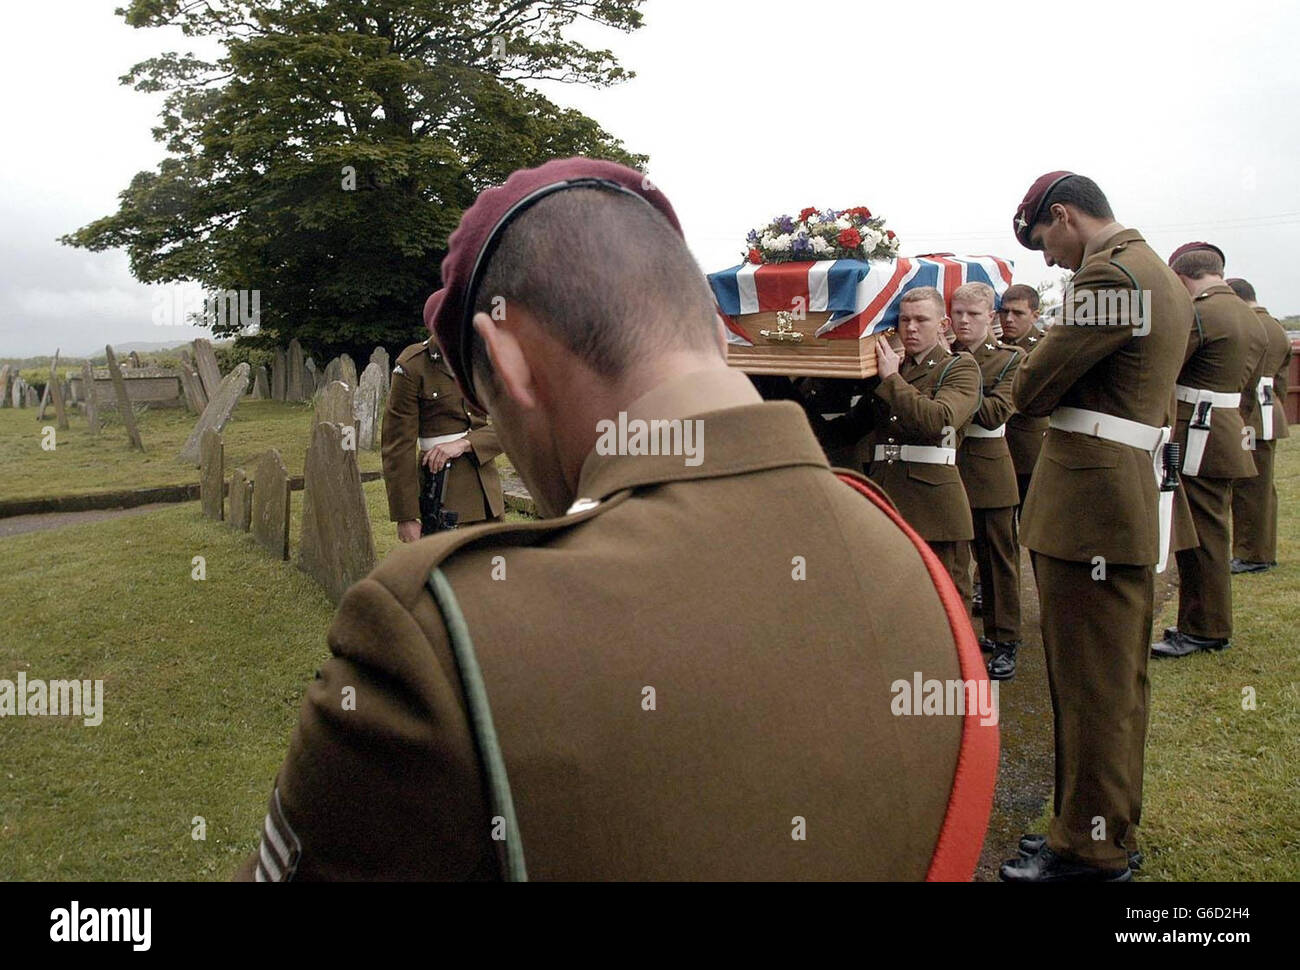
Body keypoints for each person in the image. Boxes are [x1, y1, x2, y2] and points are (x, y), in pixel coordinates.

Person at [235, 158, 996, 882]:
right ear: (711, 323)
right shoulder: (913, 562)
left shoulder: (432, 640)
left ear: (509, 358)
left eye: (488, 397)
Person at [1001, 171, 1190, 882]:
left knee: (1092, 688)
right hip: (1114, 497)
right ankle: (1088, 826)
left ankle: (1092, 847)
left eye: (1044, 239)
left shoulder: (1111, 275)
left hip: (1092, 509)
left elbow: (1031, 388)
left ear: (1066, 215)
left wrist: (1043, 352)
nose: (1047, 258)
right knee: (1108, 682)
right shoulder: (1158, 272)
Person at [1151, 244, 1268, 659]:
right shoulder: (1251, 318)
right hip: (1225, 426)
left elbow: (1164, 364)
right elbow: (1250, 384)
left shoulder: (1200, 312)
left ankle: (1203, 627)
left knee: (1200, 535)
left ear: (1181, 278)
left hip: (1198, 431)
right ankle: (1204, 621)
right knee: (1211, 530)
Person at [824, 288, 981, 587]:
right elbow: (846, 431)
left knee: (941, 600)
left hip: (934, 505)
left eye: (921, 319)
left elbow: (939, 422)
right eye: (904, 319)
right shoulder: (891, 369)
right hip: (887, 494)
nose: (910, 327)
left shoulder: (959, 367)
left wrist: (892, 380)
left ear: (943, 325)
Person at [381, 298, 505, 541]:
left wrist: (464, 444)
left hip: (487, 492)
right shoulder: (413, 366)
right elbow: (398, 445)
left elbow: (516, 426)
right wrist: (405, 516)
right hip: (443, 492)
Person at [949, 282, 1023, 680]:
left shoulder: (1011, 359)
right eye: (957, 312)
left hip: (988, 469)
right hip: (948, 465)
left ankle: (1005, 638)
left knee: (997, 562)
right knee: (955, 560)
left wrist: (951, 397)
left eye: (973, 314)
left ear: (991, 318)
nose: (963, 321)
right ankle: (960, 635)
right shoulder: (941, 357)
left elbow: (996, 412)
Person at [1226, 277, 1292, 573]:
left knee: (1249, 487)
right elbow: (1282, 379)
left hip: (1252, 412)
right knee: (1262, 488)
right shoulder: (1277, 327)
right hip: (1269, 409)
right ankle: (1260, 549)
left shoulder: (1250, 325)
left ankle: (1252, 554)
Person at [999, 284, 1048, 513]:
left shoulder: (1044, 348)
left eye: (1017, 313)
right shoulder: (996, 346)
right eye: (1004, 311)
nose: (1008, 319)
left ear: (1035, 316)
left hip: (1027, 450)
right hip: (998, 449)